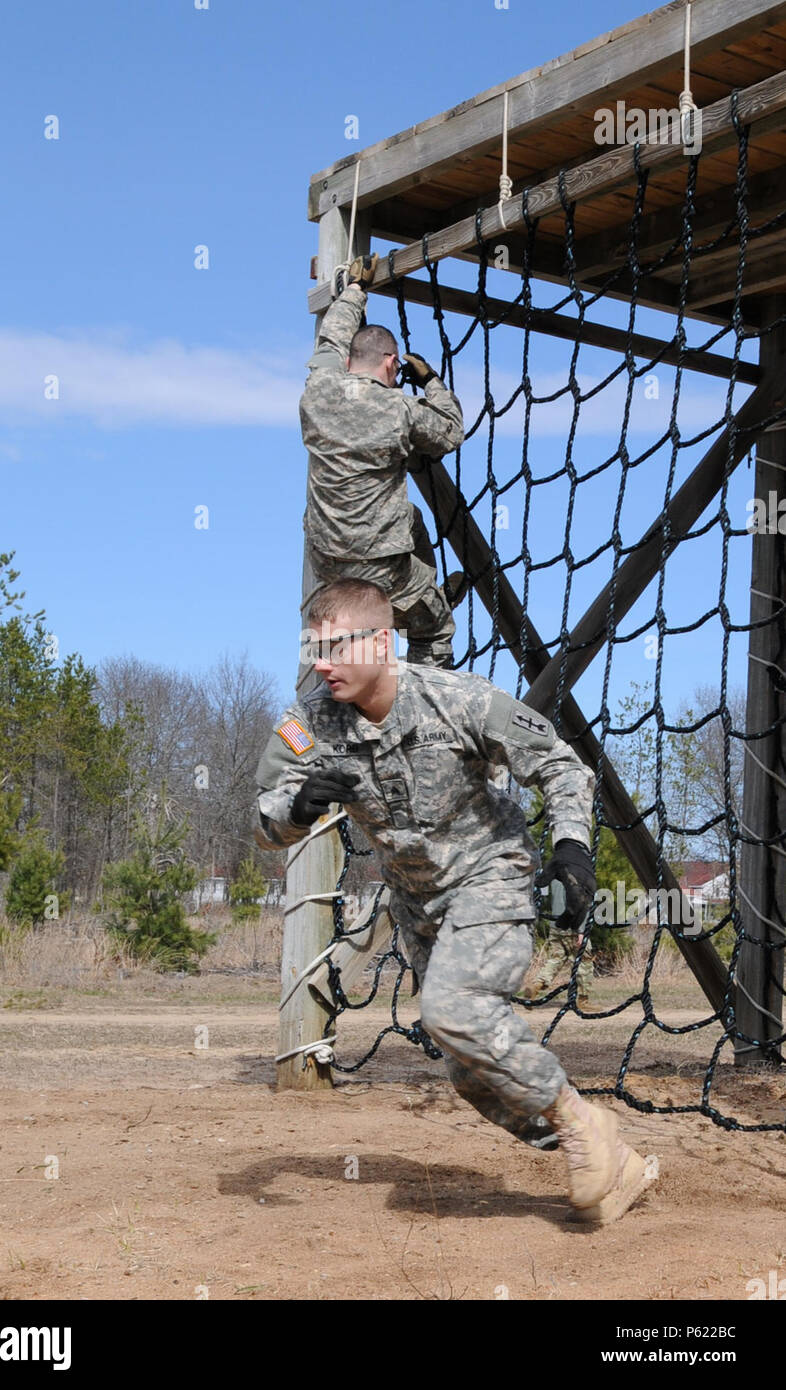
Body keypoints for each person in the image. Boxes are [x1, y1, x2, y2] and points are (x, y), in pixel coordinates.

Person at [254, 579, 654, 1225]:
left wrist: (573, 849)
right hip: (418, 908)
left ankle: (583, 1124)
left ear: (381, 642)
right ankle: (616, 1163)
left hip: (490, 878)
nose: (319, 664)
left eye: (333, 648)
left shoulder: (457, 699)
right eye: (311, 649)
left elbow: (562, 765)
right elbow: (265, 816)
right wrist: (296, 809)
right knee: (469, 1073)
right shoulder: (312, 723)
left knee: (450, 1010)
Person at [300, 254, 465, 667]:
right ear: (392, 363)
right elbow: (451, 430)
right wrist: (431, 381)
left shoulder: (317, 392)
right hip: (380, 569)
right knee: (435, 627)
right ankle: (421, 702)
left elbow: (330, 341)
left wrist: (354, 292)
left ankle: (424, 588)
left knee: (411, 518)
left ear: (350, 361)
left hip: (326, 562)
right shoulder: (399, 408)